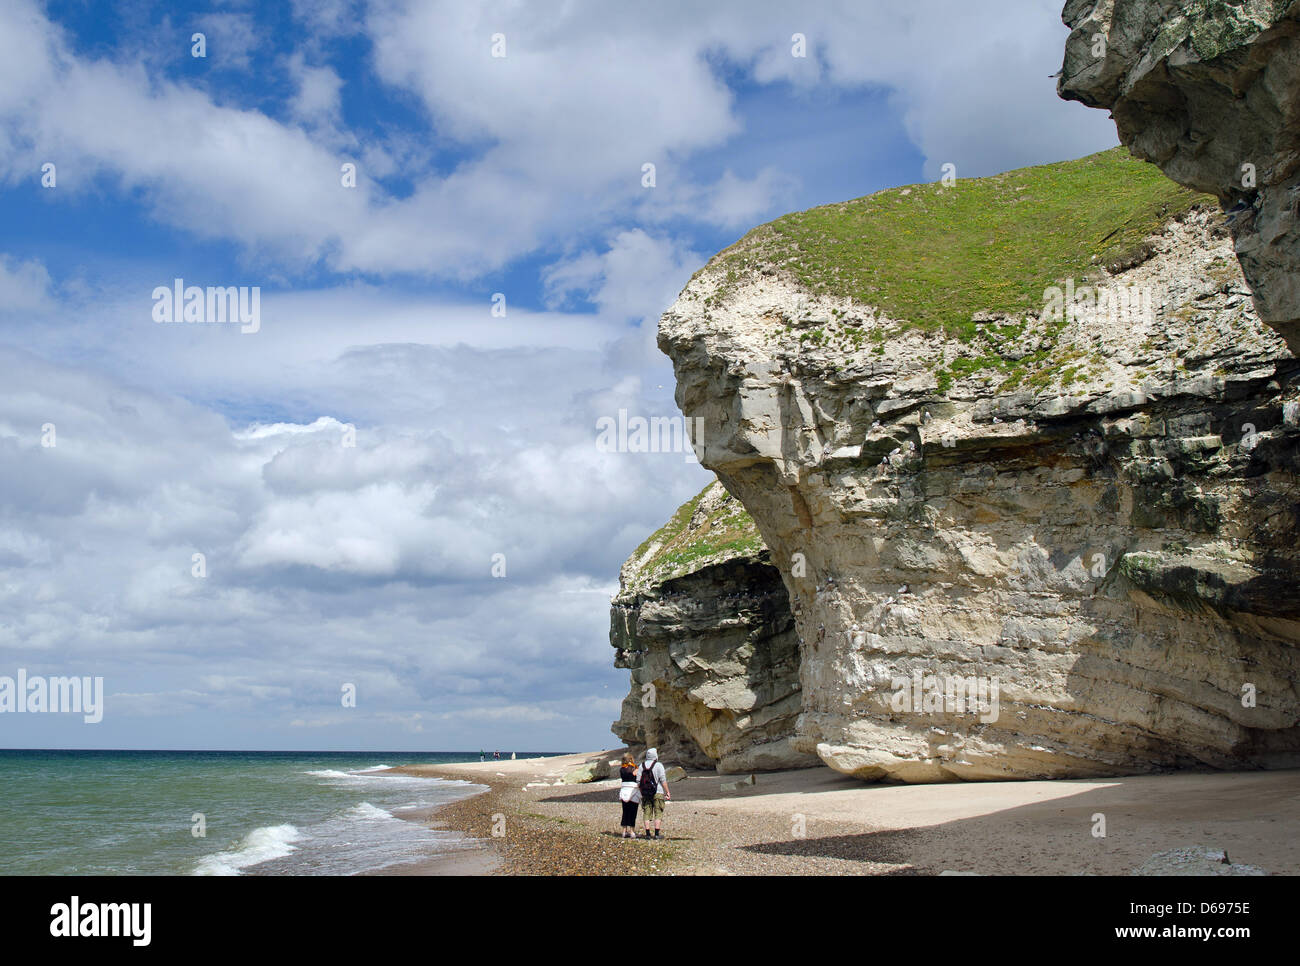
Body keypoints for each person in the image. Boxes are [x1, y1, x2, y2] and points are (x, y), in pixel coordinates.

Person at [634, 747, 670, 839]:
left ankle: (648, 834)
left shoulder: (641, 766)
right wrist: (667, 792)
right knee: (658, 812)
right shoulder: (659, 765)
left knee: (647, 811)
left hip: (645, 793)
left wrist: (642, 791)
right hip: (658, 792)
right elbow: (663, 780)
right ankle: (657, 834)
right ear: (655, 755)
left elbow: (638, 781)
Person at [617, 753, 640, 838]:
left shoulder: (621, 769)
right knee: (633, 812)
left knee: (625, 811)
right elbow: (636, 776)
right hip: (633, 791)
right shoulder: (634, 768)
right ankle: (632, 831)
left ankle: (624, 831)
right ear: (631, 759)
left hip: (624, 791)